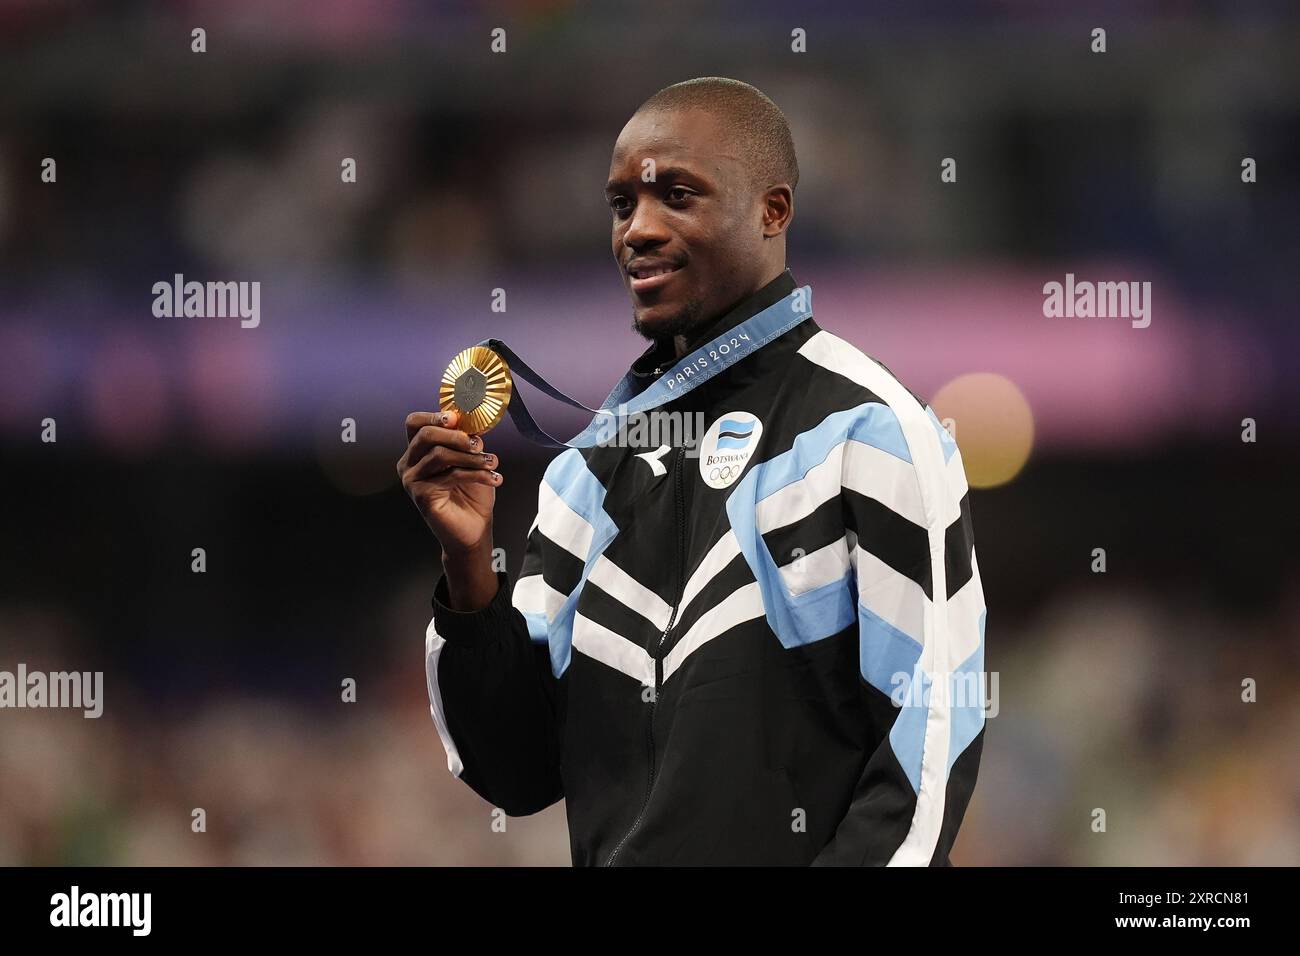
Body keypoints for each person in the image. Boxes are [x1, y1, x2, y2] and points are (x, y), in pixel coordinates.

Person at [398, 77, 986, 865]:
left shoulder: (870, 429)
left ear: (772, 211)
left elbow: (931, 738)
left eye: (677, 195)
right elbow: (522, 771)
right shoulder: (585, 475)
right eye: (620, 205)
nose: (637, 230)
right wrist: (470, 575)